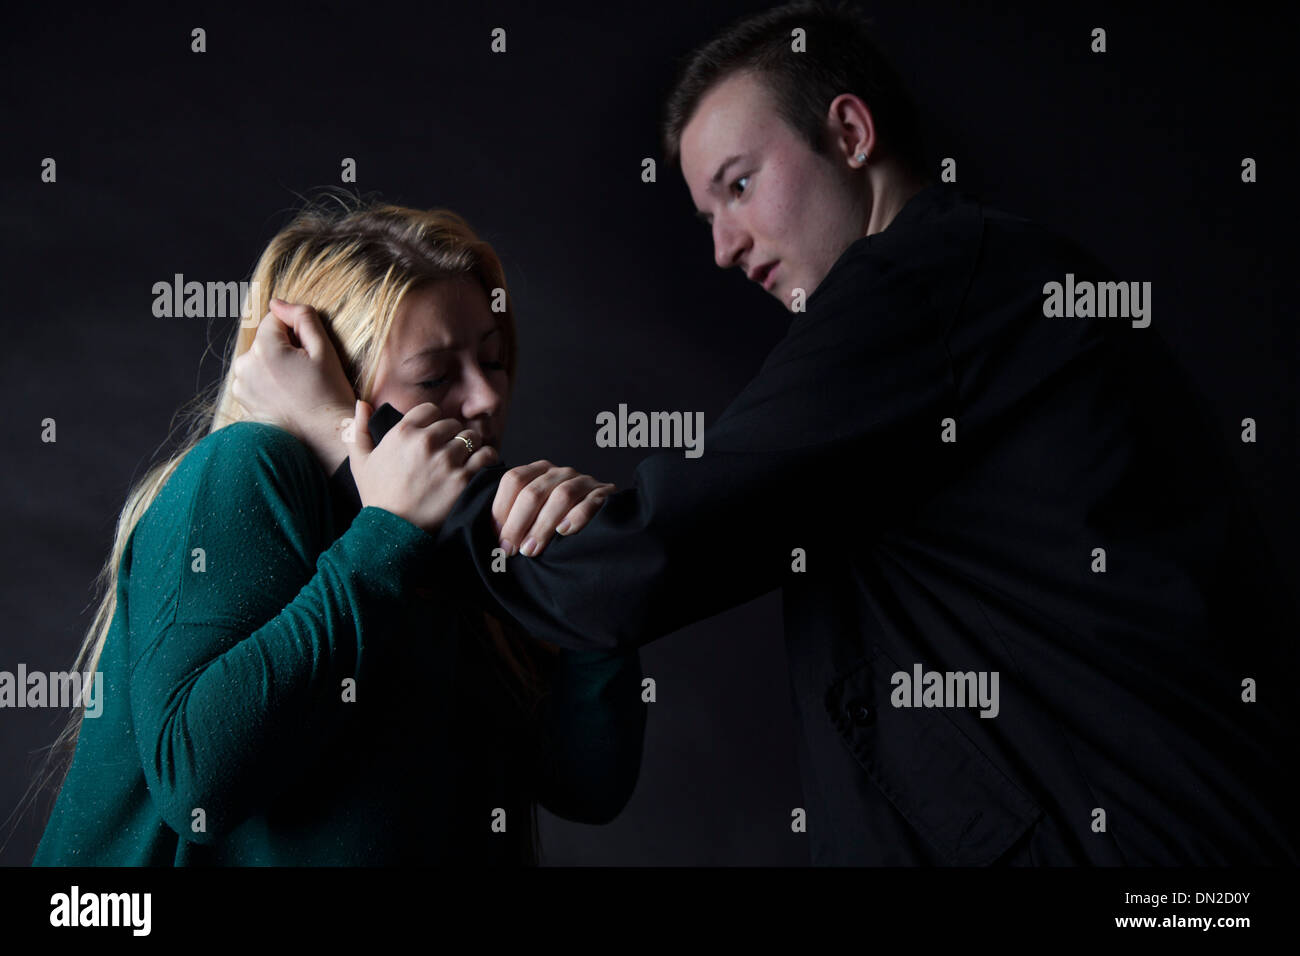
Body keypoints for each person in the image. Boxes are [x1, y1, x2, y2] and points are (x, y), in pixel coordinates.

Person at [238, 1, 1296, 865]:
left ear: (848, 132)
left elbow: (637, 565)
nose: (723, 247)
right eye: (705, 212)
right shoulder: (983, 289)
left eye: (737, 186)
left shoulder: (924, 292)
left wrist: (359, 432)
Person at [31, 202, 644, 866]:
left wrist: (592, 599)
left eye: (493, 361)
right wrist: (386, 536)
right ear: (341, 383)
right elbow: (196, 779)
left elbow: (587, 786)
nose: (487, 397)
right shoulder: (247, 472)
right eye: (436, 377)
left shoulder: (468, 536)